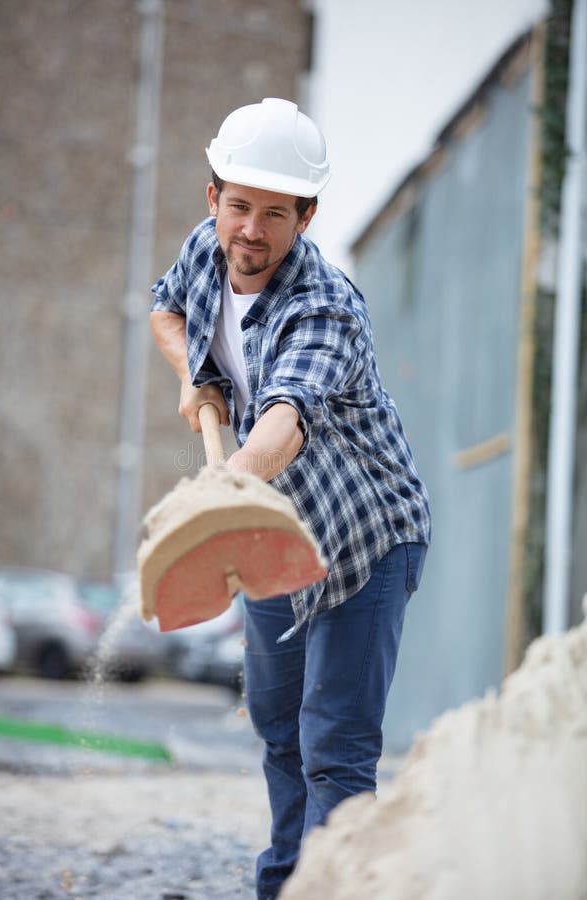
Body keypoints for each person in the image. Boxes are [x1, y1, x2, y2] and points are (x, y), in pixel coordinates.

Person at [150, 97, 431, 900]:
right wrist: (191, 375)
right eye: (238, 205)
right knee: (277, 727)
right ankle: (283, 884)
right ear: (214, 200)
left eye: (275, 213)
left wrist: (223, 487)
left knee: (334, 745)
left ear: (306, 217)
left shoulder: (325, 306)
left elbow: (284, 422)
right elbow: (166, 309)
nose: (251, 230)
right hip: (274, 533)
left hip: (363, 540)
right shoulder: (208, 249)